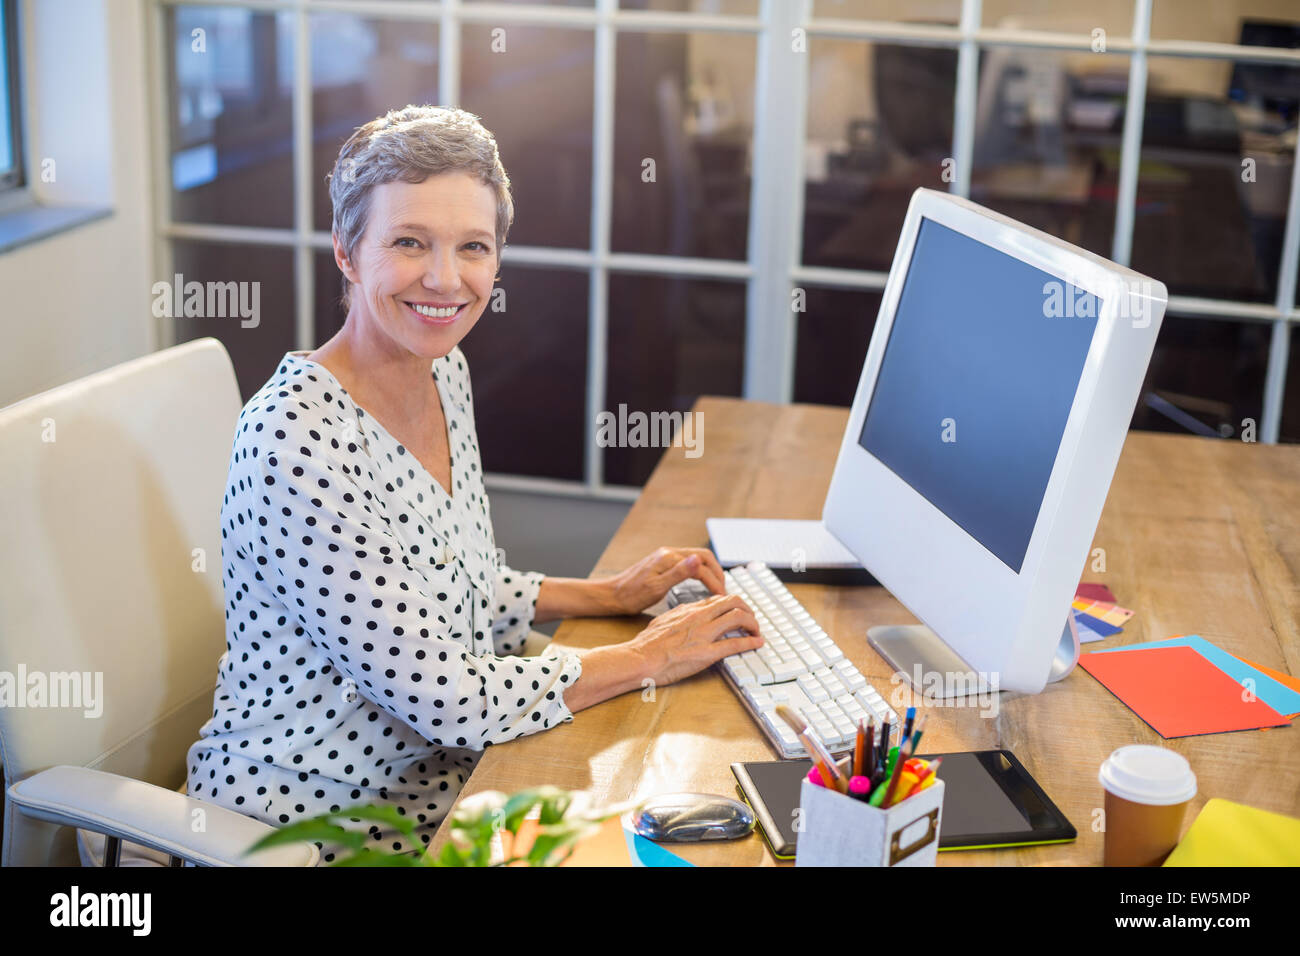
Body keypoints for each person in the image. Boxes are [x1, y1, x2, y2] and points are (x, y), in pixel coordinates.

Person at [187, 105, 762, 861]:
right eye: (409, 243)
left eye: (473, 248)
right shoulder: (296, 438)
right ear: (348, 252)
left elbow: (456, 583)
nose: (445, 279)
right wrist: (651, 654)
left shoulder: (441, 370)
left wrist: (610, 597)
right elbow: (448, 697)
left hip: (446, 776)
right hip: (311, 817)